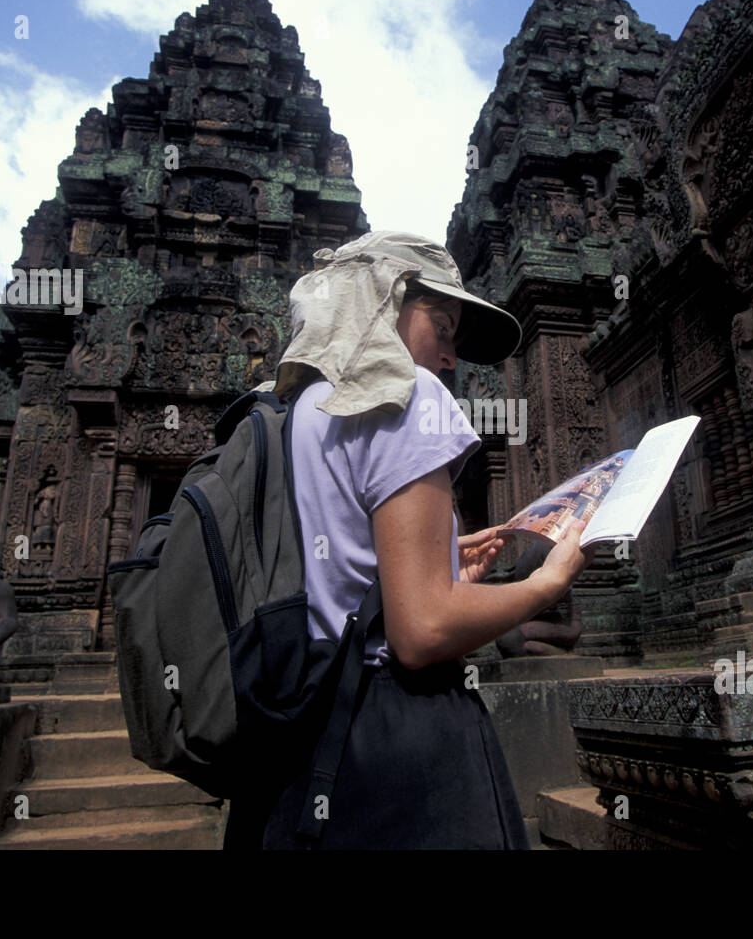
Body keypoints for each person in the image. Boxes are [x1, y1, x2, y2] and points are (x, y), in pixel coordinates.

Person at [224, 231, 593, 849]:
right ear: (380, 300)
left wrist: (439, 570)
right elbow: (421, 632)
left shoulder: (290, 410)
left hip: (297, 731)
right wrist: (544, 583)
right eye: (442, 327)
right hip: (397, 741)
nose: (450, 359)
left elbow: (336, 574)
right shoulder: (409, 394)